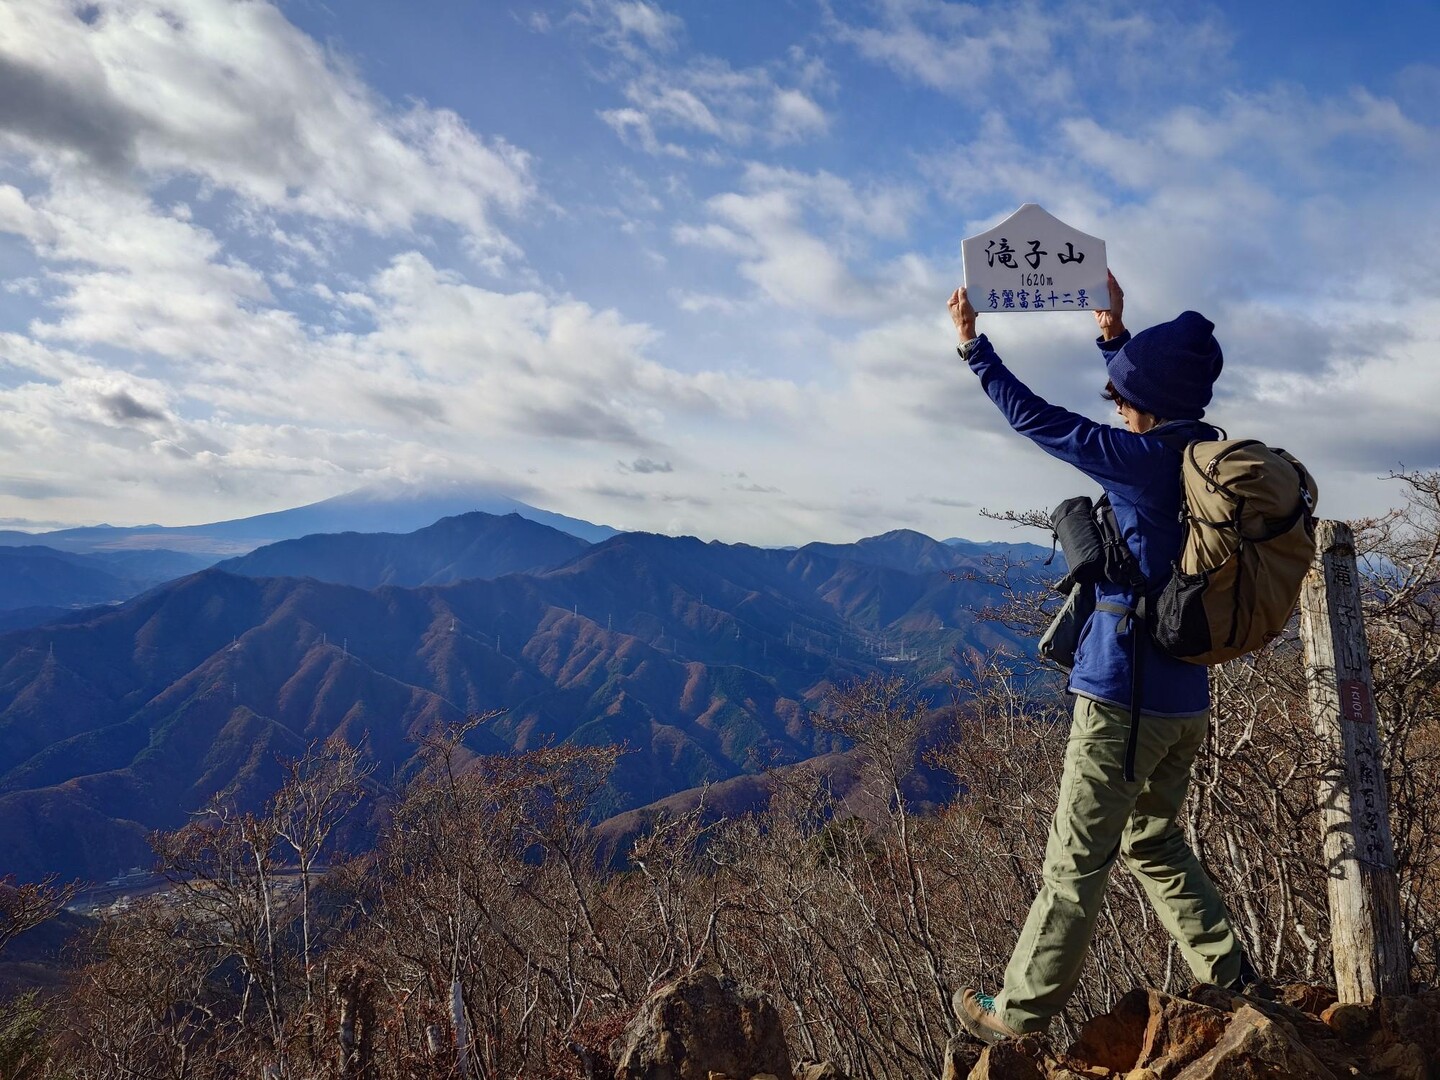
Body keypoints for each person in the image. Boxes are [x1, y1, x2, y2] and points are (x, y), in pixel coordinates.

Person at [945, 274, 1256, 1045]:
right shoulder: (1203, 456)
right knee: (1153, 841)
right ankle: (1236, 981)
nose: (1115, 405)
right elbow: (1151, 390)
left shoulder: (1142, 464)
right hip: (1184, 700)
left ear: (1147, 403)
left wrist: (974, 348)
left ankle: (1017, 1016)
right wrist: (1114, 336)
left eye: (1123, 396)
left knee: (1075, 864)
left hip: (1124, 699)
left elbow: (1039, 419)